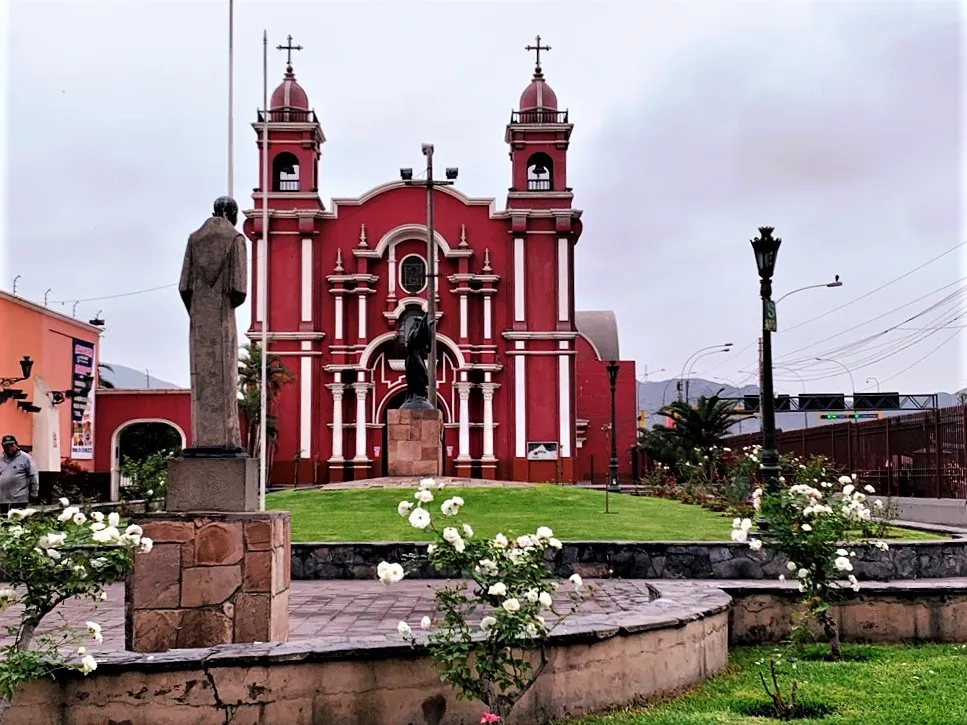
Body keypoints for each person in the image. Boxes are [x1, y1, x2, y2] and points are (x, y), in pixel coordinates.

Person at [0, 435, 39, 513]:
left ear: (16, 444)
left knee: (17, 522)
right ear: (2, 446)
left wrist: (34, 492)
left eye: (11, 445)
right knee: (4, 522)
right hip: (3, 499)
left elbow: (33, 475)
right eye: (6, 446)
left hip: (19, 498)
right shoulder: (1, 459)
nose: (9, 448)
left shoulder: (26, 458)